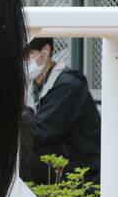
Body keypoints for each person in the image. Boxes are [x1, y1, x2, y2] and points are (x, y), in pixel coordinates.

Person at [20, 38, 100, 189]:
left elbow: (37, 133)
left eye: (28, 54)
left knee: (21, 155)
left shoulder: (68, 86)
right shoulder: (33, 86)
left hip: (83, 171)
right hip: (60, 162)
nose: (23, 61)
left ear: (46, 52)